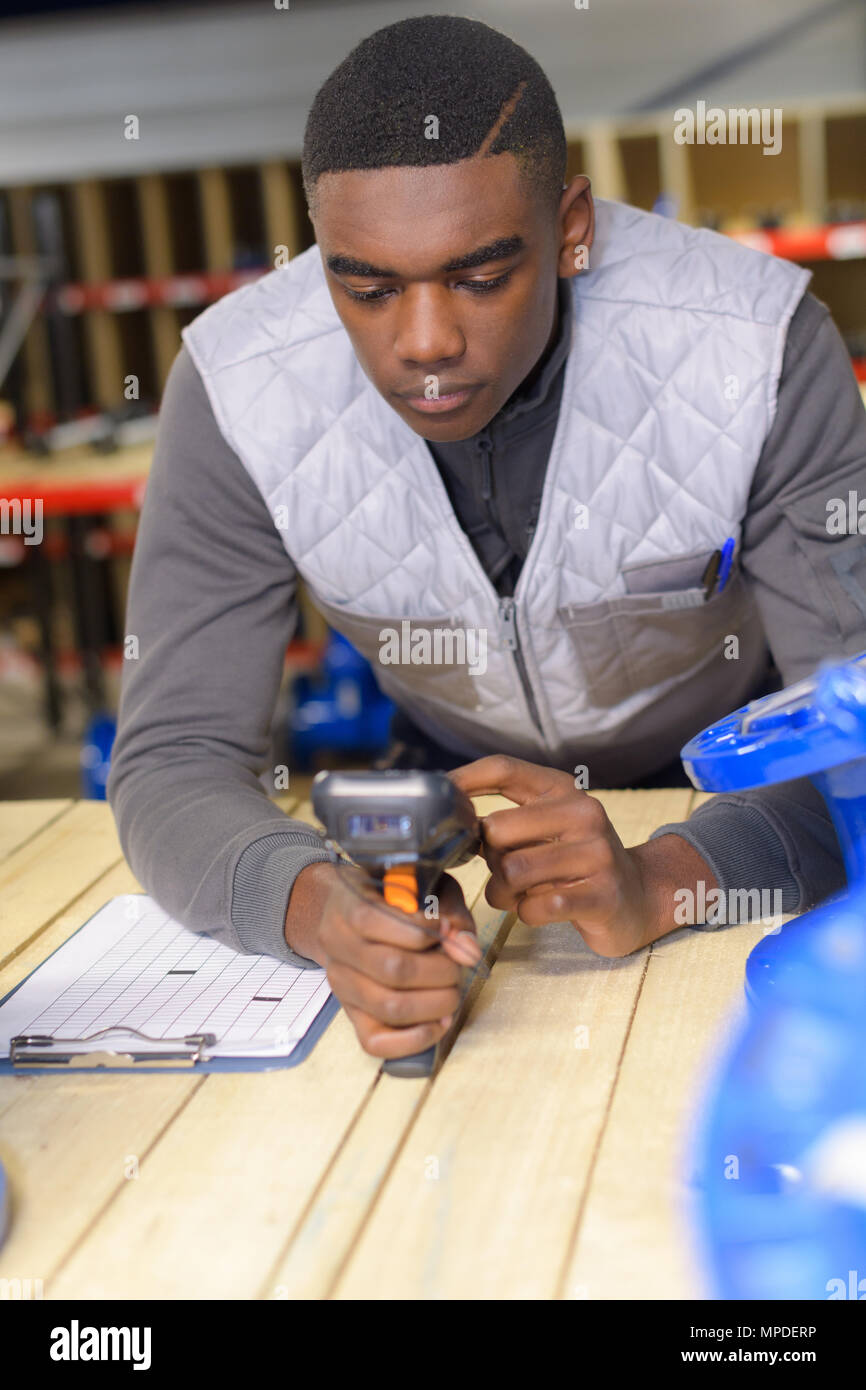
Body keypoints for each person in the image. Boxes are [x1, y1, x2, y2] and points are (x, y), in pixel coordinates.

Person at [107, 15, 866, 1062]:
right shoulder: (241, 387)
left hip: (734, 784)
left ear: (569, 229)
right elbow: (172, 756)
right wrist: (319, 907)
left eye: (476, 277)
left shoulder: (752, 346)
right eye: (364, 287)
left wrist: (665, 877)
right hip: (452, 806)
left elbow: (856, 733)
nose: (423, 342)